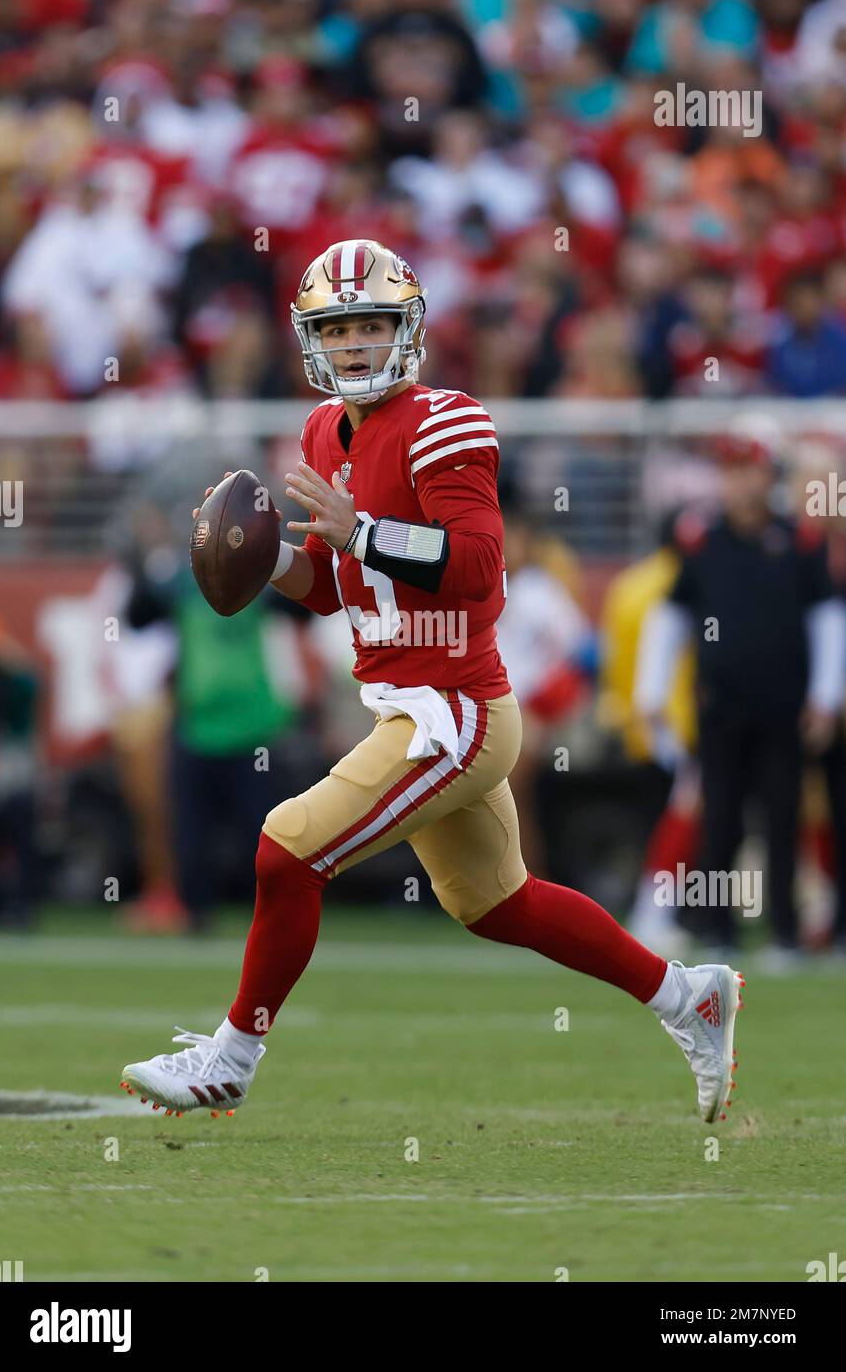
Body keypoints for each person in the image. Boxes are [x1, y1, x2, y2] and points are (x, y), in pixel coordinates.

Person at [121, 239, 744, 1123]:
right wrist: (264, 565)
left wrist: (363, 531)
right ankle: (690, 996)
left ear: (407, 329)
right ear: (313, 340)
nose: (357, 345)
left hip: (454, 711)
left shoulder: (446, 419)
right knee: (500, 905)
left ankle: (232, 1056)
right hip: (406, 705)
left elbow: (482, 570)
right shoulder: (320, 432)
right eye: (339, 330)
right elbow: (337, 590)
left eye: (373, 324)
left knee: (285, 846)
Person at [635, 416, 846, 967]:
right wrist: (651, 691)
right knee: (720, 817)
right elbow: (672, 617)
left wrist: (825, 697)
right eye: (730, 470)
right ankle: (717, 928)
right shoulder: (703, 542)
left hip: (782, 707)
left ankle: (785, 933)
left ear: (766, 475)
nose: (739, 483)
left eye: (748, 469)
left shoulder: (798, 542)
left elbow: (827, 621)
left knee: (782, 817)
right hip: (720, 706)